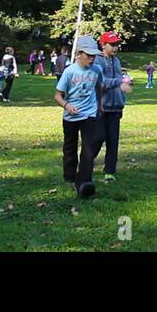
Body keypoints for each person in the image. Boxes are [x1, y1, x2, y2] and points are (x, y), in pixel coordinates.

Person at [54, 35, 103, 199]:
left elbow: (99, 87)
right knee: (70, 147)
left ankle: (84, 181)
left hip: (89, 114)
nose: (92, 58)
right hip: (70, 116)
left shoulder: (97, 70)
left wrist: (99, 105)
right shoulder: (69, 72)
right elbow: (58, 96)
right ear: (79, 54)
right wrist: (67, 106)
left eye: (94, 55)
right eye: (89, 55)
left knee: (89, 148)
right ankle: (69, 176)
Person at [92, 31, 132, 182]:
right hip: (102, 107)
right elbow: (100, 83)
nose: (115, 47)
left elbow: (118, 79)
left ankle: (109, 171)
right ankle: (87, 161)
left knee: (113, 140)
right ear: (103, 45)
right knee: (98, 137)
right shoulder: (98, 61)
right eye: (112, 44)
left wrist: (126, 82)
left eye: (117, 44)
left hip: (116, 106)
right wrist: (118, 82)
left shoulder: (116, 61)